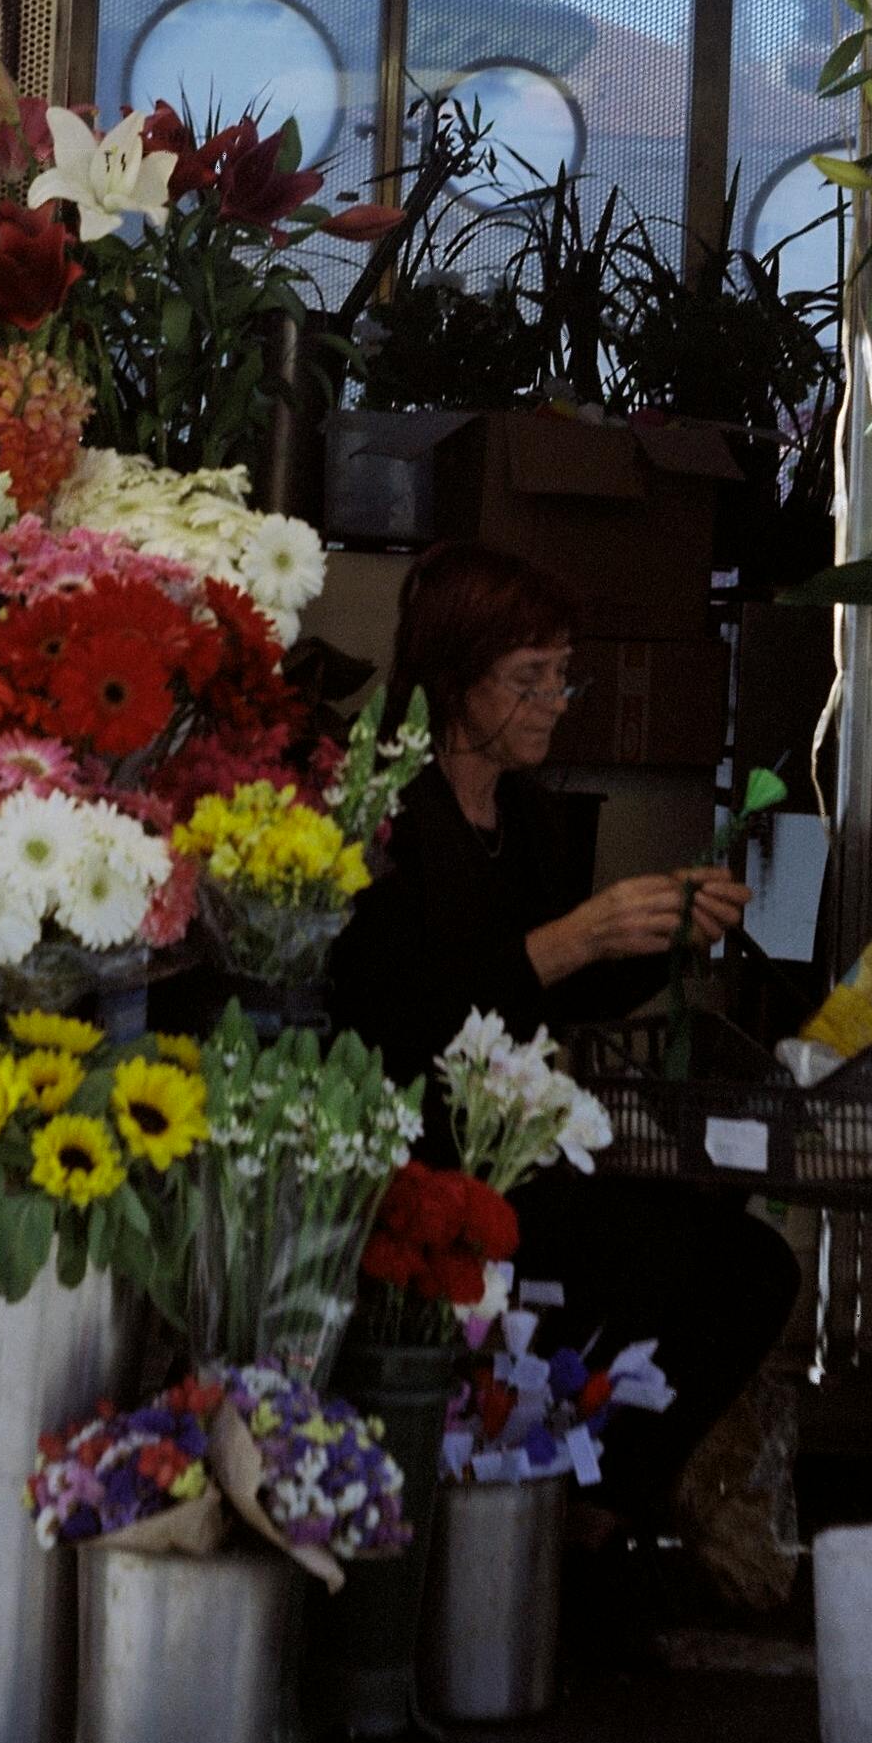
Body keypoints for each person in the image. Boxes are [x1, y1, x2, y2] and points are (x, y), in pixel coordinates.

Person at [326, 541, 802, 1555]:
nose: (553, 702)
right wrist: (578, 936)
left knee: (751, 1261)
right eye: (528, 678)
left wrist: (658, 936)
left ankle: (605, 1502)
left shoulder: (529, 816)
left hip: (516, 1140)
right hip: (416, 1151)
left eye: (562, 676)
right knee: (654, 1256)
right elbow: (396, 1021)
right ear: (455, 679)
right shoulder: (388, 811)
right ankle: (545, 1506)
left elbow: (558, 996)